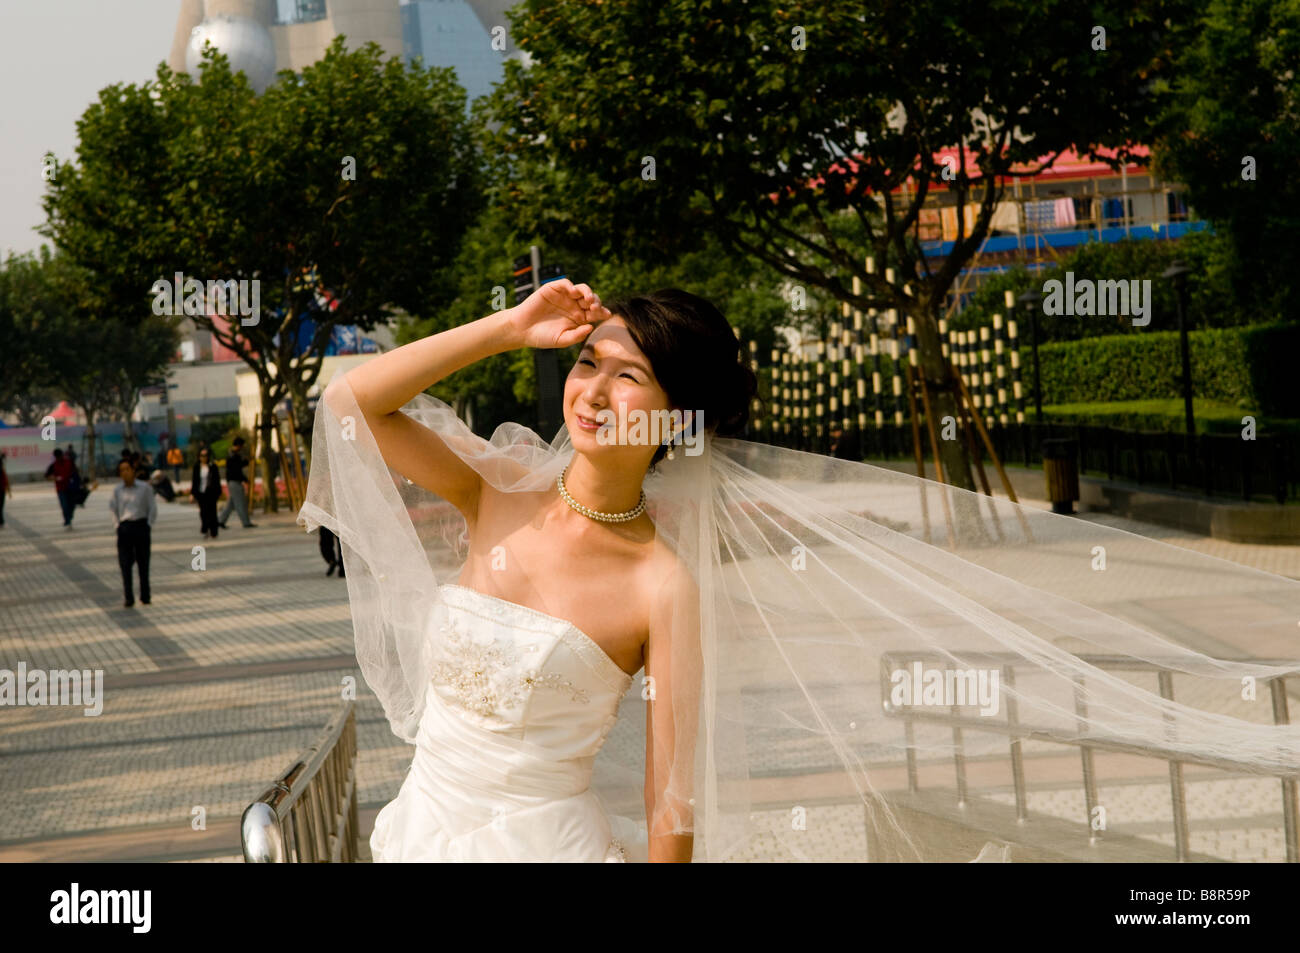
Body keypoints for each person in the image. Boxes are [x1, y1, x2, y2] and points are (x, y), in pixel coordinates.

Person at [300, 280, 1300, 864]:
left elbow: (672, 804)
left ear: (678, 416)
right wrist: (510, 328)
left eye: (627, 372)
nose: (593, 389)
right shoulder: (498, 487)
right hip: (418, 831)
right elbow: (350, 406)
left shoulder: (662, 584)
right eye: (588, 360)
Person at [109, 458, 156, 607]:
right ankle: (128, 597)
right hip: (125, 528)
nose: (125, 473)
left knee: (143, 563)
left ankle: (145, 595)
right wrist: (117, 526)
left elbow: (152, 508)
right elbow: (113, 509)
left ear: (133, 471)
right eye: (121, 470)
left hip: (141, 526)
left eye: (127, 469)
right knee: (125, 564)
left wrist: (148, 525)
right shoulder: (117, 491)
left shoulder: (145, 488)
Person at [218, 437, 256, 529]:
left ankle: (220, 520)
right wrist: (245, 479)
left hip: (232, 482)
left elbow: (239, 466)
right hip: (235, 482)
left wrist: (247, 461)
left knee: (231, 503)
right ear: (239, 445)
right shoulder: (233, 456)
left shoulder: (233, 455)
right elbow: (236, 470)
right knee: (240, 503)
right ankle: (246, 522)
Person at [191, 447, 222, 538]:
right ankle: (205, 528)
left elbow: (217, 480)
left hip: (211, 492)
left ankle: (213, 531)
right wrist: (192, 493)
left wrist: (218, 492)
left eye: (205, 456)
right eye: (201, 456)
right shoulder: (196, 467)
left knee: (212, 511)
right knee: (203, 512)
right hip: (201, 492)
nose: (203, 458)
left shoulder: (213, 466)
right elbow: (195, 481)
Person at [45, 448, 77, 528]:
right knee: (64, 505)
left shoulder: (69, 462)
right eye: (58, 456)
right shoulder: (54, 465)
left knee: (72, 504)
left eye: (60, 456)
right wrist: (55, 478)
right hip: (61, 489)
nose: (60, 457)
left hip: (71, 488)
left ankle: (69, 517)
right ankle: (67, 520)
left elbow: (76, 473)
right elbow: (46, 476)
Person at [0, 453, 10, 528]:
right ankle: (1, 521)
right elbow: (6, 481)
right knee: (0, 506)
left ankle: (1, 521)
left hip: (2, 490)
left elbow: (6, 481)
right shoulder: (2, 471)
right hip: (1, 491)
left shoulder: (2, 471)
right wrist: (9, 492)